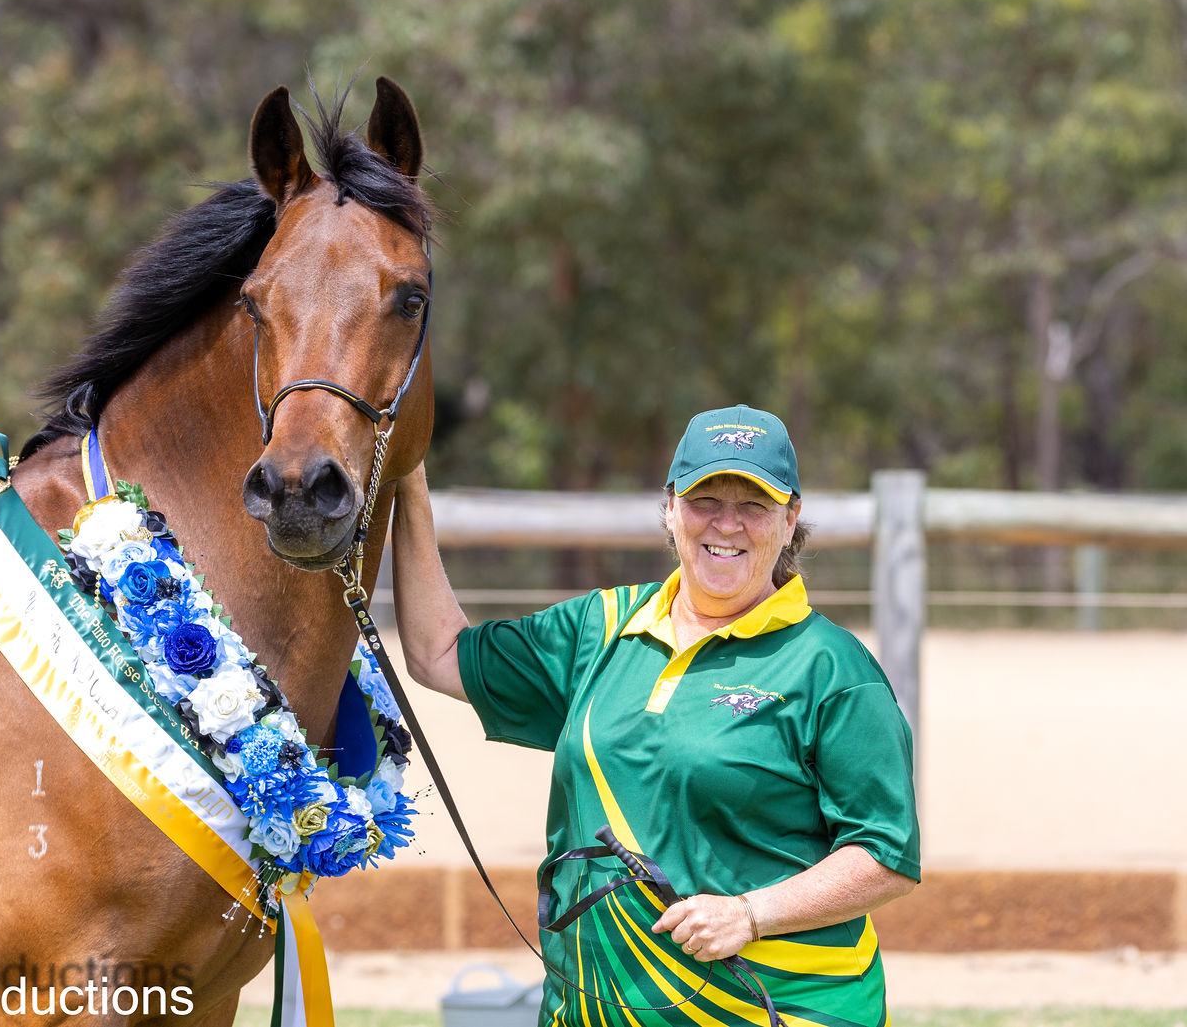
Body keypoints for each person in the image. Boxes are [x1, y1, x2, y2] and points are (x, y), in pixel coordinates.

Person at [390, 404, 921, 1027]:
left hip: (777, 1009)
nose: (726, 524)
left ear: (791, 518)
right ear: (669, 508)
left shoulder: (831, 668)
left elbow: (885, 856)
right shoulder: (602, 628)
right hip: (591, 1008)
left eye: (753, 503)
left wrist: (749, 912)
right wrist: (409, 481)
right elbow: (438, 654)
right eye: (704, 499)